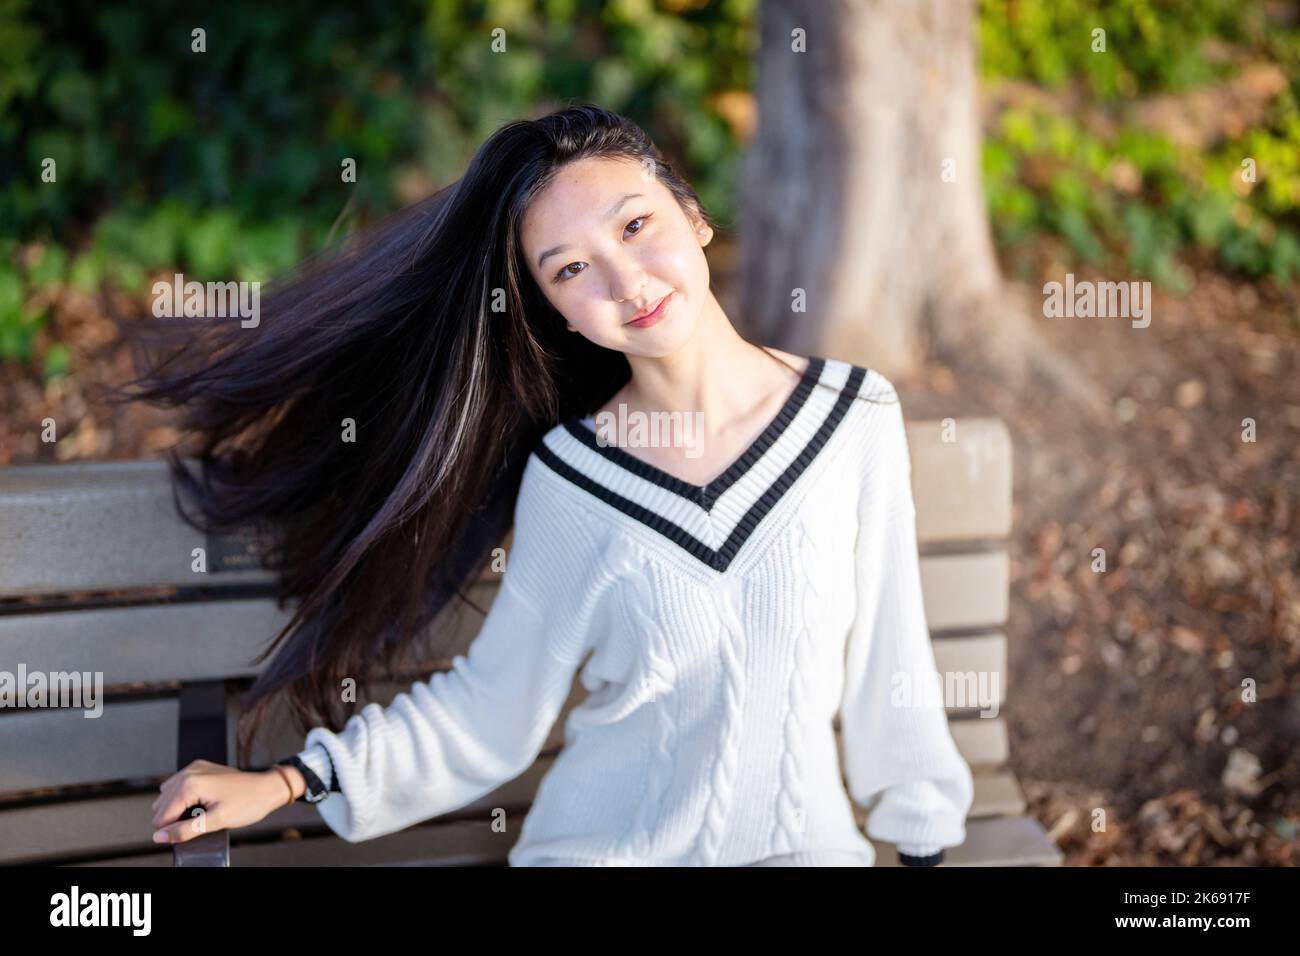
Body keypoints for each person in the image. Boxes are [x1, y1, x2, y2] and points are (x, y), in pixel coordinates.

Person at [124, 104, 973, 866]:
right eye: (570, 269)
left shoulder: (853, 417)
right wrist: (287, 781)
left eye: (636, 224)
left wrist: (923, 839)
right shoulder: (574, 478)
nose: (624, 280)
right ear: (555, 312)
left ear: (695, 215)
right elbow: (492, 712)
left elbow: (889, 668)